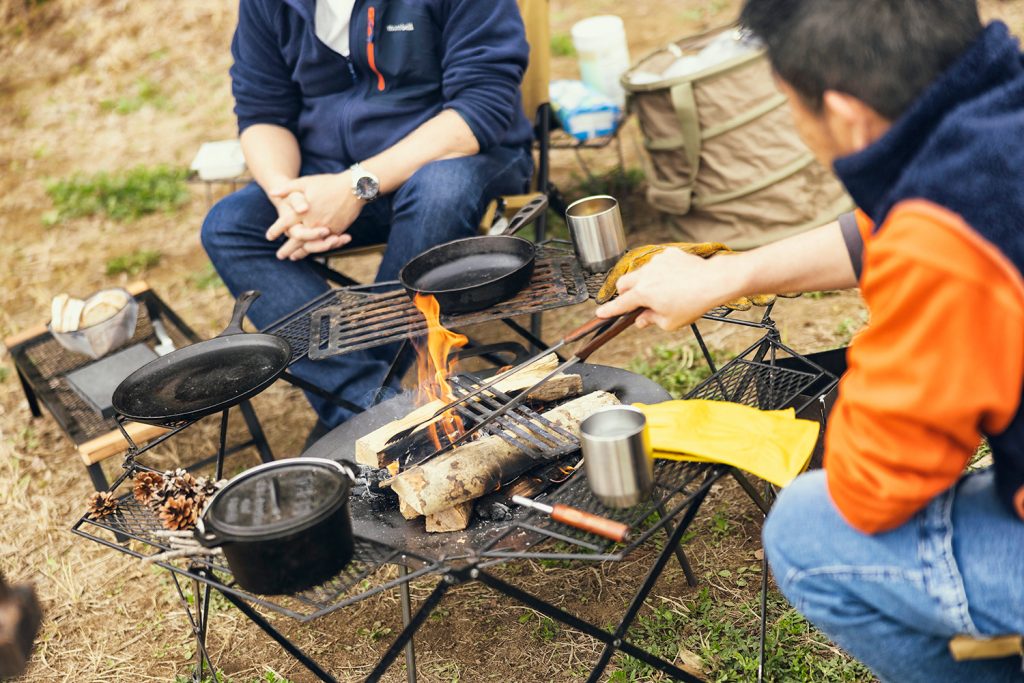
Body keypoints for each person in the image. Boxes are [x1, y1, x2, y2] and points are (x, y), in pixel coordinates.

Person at [596, 1, 1024, 680]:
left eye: (790, 107)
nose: (795, 125)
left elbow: (874, 491)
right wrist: (727, 274)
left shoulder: (945, 248)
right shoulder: (991, 123)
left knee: (807, 531)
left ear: (845, 113)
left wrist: (887, 352)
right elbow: (889, 225)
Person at [201, 0, 534, 440]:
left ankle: (357, 415)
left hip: (453, 156)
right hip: (327, 171)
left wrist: (356, 184)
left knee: (441, 192)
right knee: (229, 225)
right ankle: (372, 410)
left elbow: (479, 109)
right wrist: (286, 195)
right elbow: (262, 113)